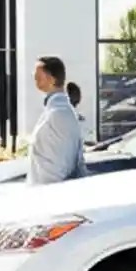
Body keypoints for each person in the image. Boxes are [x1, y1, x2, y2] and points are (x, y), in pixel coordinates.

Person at [26, 56, 87, 185]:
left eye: (38, 75)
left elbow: (60, 164)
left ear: (52, 80)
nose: (34, 77)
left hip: (50, 190)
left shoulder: (59, 113)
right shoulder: (57, 110)